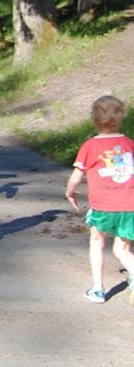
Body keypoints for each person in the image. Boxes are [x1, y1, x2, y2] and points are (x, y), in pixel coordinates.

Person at [64, 95, 134, 305]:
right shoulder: (129, 144)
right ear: (121, 117)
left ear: (94, 119)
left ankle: (98, 289)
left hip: (103, 206)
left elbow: (76, 177)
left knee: (97, 242)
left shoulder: (90, 146)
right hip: (130, 206)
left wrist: (69, 192)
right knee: (122, 250)